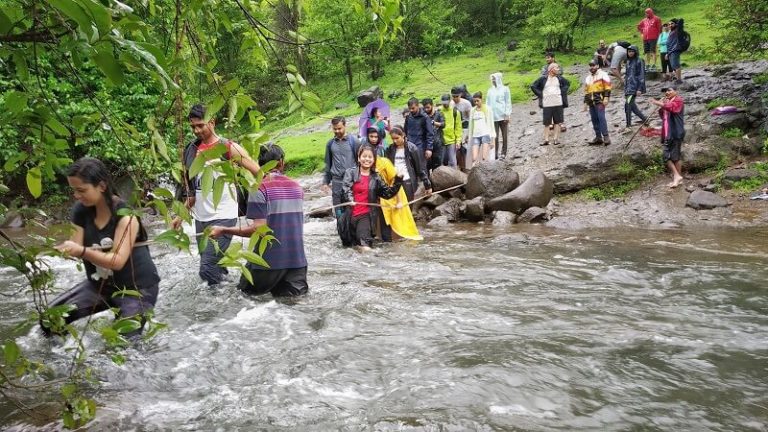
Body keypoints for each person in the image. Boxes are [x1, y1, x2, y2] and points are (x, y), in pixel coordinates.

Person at [45, 157, 160, 337]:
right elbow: (75, 244)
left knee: (124, 341)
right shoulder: (80, 210)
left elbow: (116, 261)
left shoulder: (126, 216)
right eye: (74, 190)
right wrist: (65, 249)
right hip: (100, 285)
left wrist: (82, 251)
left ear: (102, 186)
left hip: (136, 288)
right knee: (50, 320)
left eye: (81, 190)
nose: (76, 196)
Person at [174, 104, 261, 286]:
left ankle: (215, 309)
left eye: (200, 125)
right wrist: (180, 216)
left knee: (207, 268)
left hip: (223, 215)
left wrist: (266, 201)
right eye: (193, 127)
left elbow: (257, 171)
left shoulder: (227, 147)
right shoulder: (191, 150)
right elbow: (191, 191)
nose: (196, 130)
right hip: (201, 218)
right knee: (216, 266)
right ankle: (230, 300)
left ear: (212, 122)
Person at [209, 144, 308, 297]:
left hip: (267, 264)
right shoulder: (297, 187)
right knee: (292, 310)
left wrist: (224, 230)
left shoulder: (259, 188)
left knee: (242, 299)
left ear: (258, 164)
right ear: (281, 162)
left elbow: (258, 230)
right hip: (297, 263)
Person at [342, 145, 404, 248]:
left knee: (364, 245)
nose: (367, 159)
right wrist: (350, 199)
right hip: (350, 215)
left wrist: (398, 180)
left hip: (366, 216)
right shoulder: (350, 173)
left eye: (370, 157)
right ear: (359, 158)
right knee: (351, 247)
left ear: (374, 160)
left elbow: (387, 194)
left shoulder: (376, 177)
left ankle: (370, 262)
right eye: (364, 156)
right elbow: (346, 188)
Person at [321, 116, 360, 217]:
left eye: (339, 128)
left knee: (353, 210)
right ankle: (341, 229)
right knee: (338, 211)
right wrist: (325, 182)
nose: (337, 131)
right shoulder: (330, 144)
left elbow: (360, 162)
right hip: (337, 182)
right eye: (335, 129)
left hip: (352, 182)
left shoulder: (354, 141)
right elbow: (328, 164)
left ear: (345, 126)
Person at [649, 86, 685, 188]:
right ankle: (677, 177)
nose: (667, 92)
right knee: (669, 156)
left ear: (676, 91)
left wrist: (658, 102)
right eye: (666, 91)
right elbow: (663, 115)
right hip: (667, 133)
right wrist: (661, 106)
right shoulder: (667, 102)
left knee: (673, 157)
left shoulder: (678, 100)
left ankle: (677, 177)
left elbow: (672, 108)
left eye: (669, 90)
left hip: (675, 132)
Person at [385, 126, 432, 201]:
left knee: (408, 203)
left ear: (403, 135)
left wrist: (427, 185)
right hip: (394, 181)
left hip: (407, 180)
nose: (395, 141)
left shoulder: (412, 148)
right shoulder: (390, 149)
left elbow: (419, 168)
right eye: (392, 139)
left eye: (397, 138)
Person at [530, 63, 570, 146]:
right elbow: (533, 86)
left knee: (557, 122)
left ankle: (556, 139)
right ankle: (546, 140)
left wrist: (561, 92)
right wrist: (540, 94)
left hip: (558, 103)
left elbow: (567, 84)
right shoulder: (543, 79)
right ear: (551, 69)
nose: (558, 69)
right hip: (547, 104)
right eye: (556, 68)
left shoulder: (559, 78)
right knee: (547, 123)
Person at [584, 60, 613, 146]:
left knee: (601, 118)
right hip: (591, 102)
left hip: (600, 101)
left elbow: (608, 86)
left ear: (597, 65)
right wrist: (585, 103)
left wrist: (606, 97)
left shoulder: (603, 74)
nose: (592, 67)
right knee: (594, 119)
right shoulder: (588, 78)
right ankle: (598, 137)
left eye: (593, 65)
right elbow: (586, 91)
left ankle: (606, 137)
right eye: (590, 65)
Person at [403, 97, 435, 172]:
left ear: (418, 106)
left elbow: (430, 133)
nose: (411, 110)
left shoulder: (425, 117)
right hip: (410, 145)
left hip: (421, 146)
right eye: (410, 108)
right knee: (412, 166)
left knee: (422, 167)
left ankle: (426, 182)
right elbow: (405, 130)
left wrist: (429, 149)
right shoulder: (408, 117)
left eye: (413, 108)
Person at [487, 72, 512, 159]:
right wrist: (488, 115)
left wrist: (507, 114)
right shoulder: (490, 91)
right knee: (495, 136)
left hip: (503, 115)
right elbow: (488, 103)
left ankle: (503, 152)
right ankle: (495, 153)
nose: (493, 81)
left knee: (504, 135)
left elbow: (508, 102)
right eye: (492, 79)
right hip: (493, 117)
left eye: (494, 79)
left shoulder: (505, 89)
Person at [624, 45, 649, 129]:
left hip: (635, 87)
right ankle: (645, 119)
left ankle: (628, 125)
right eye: (629, 51)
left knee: (628, 105)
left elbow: (641, 75)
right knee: (632, 107)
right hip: (628, 88)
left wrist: (639, 89)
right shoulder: (627, 62)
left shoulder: (639, 61)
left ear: (635, 52)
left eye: (632, 51)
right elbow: (627, 76)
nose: (630, 53)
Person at [468, 91, 496, 165]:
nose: (476, 103)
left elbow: (491, 124)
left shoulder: (487, 109)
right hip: (475, 135)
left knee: (484, 157)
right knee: (474, 158)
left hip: (485, 134)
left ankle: (485, 173)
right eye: (475, 101)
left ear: (481, 99)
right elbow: (470, 125)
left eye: (477, 101)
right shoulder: (472, 110)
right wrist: (469, 136)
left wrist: (493, 138)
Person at [450, 88, 473, 168]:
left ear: (460, 95)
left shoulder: (466, 103)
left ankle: (468, 166)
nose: (455, 98)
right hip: (455, 128)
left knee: (465, 148)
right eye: (453, 96)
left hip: (465, 126)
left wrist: (469, 132)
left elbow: (470, 118)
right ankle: (461, 166)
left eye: (457, 96)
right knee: (457, 149)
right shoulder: (451, 104)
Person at [438, 94, 463, 167]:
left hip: (451, 141)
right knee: (441, 162)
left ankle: (454, 177)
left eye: (446, 103)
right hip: (441, 140)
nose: (445, 105)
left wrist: (458, 140)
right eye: (443, 103)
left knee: (452, 162)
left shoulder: (455, 112)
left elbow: (458, 127)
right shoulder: (439, 111)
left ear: (449, 101)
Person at [422, 98, 445, 172]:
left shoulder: (438, 114)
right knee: (427, 165)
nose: (426, 109)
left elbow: (443, 124)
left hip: (438, 143)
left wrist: (433, 123)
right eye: (424, 107)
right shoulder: (423, 116)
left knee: (438, 165)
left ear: (432, 105)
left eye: (428, 107)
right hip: (427, 144)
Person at [666, 18, 685, 84]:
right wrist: (667, 53)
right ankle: (677, 78)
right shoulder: (671, 32)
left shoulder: (678, 30)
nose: (670, 25)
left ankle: (679, 80)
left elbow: (681, 23)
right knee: (673, 66)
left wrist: (678, 22)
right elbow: (669, 43)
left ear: (676, 24)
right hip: (670, 51)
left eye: (672, 23)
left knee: (676, 64)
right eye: (669, 24)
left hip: (676, 49)